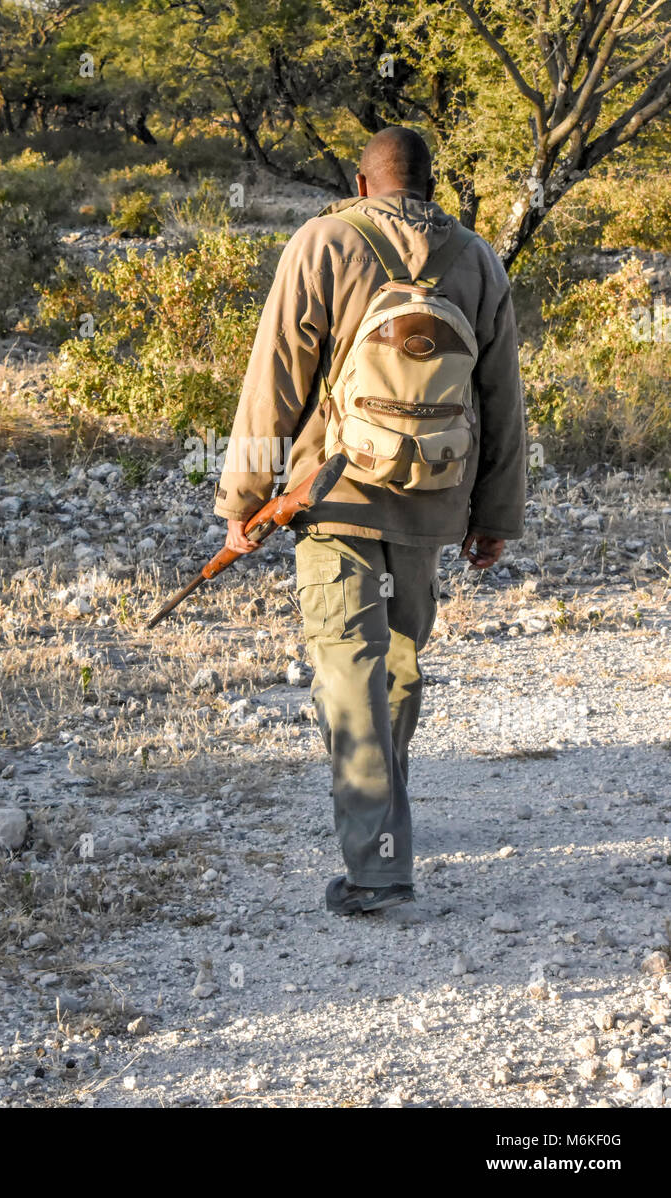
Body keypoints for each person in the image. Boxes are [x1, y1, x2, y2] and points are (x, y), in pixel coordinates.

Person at [214, 126, 526, 915]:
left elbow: (273, 378)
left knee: (350, 671)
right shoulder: (479, 259)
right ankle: (384, 832)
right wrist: (495, 515)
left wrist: (243, 498)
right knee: (396, 666)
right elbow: (502, 399)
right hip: (434, 500)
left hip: (335, 498)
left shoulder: (322, 244)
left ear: (362, 185)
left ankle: (378, 868)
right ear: (429, 187)